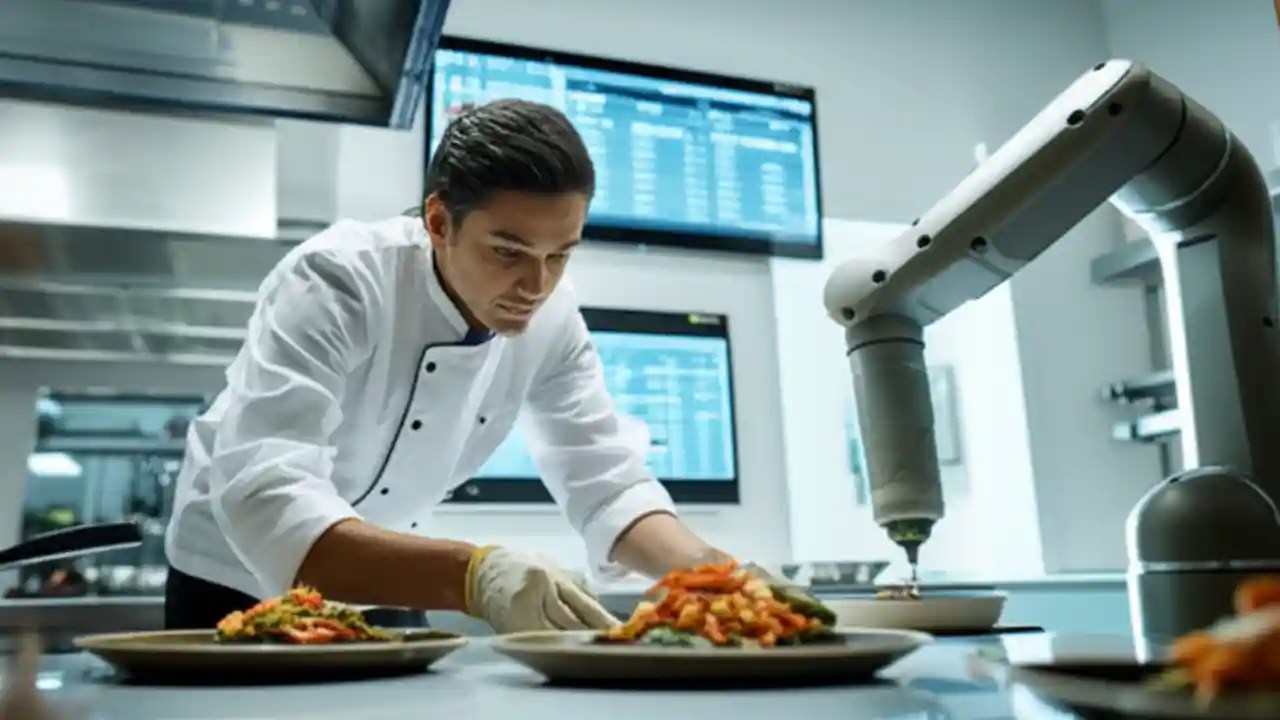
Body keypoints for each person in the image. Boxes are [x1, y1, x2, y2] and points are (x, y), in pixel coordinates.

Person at [162, 98, 731, 633]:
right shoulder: (339, 281)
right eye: (508, 251)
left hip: (387, 573)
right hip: (234, 575)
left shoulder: (554, 319)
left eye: (559, 255)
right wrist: (474, 574)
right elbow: (267, 494)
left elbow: (606, 483)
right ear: (439, 222)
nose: (536, 286)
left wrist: (713, 573)